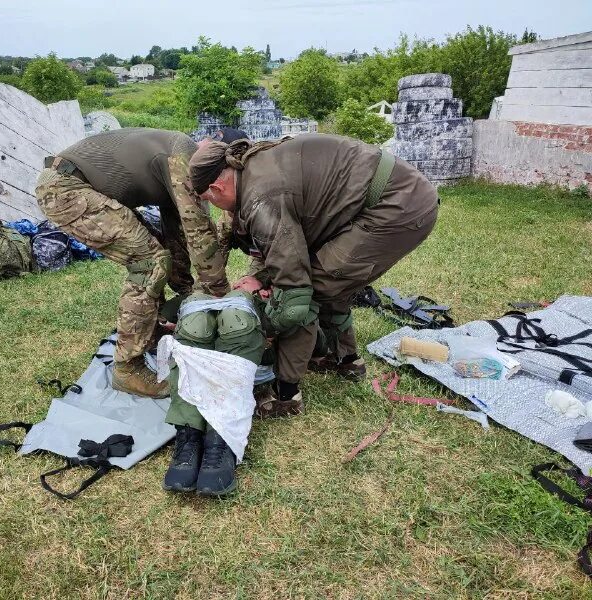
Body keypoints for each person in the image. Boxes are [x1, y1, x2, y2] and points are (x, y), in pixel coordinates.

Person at [187, 134, 439, 416]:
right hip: (393, 194)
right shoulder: (253, 167)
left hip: (397, 205)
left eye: (208, 200)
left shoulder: (261, 199)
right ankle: (346, 360)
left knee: (312, 289)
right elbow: (291, 247)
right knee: (332, 279)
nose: (216, 209)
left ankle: (286, 396)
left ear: (216, 187)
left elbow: (295, 291)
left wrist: (265, 328)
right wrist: (263, 279)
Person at [35, 128, 229, 398]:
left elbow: (179, 233)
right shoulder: (184, 157)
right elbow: (199, 230)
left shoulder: (178, 162)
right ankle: (127, 369)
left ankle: (150, 332)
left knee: (158, 253)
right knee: (149, 263)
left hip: (70, 181)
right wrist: (219, 294)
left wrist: (185, 289)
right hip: (66, 188)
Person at [161, 288, 266, 496]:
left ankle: (218, 439)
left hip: (250, 317)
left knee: (236, 321)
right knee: (195, 323)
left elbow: (295, 309)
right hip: (202, 304)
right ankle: (190, 436)